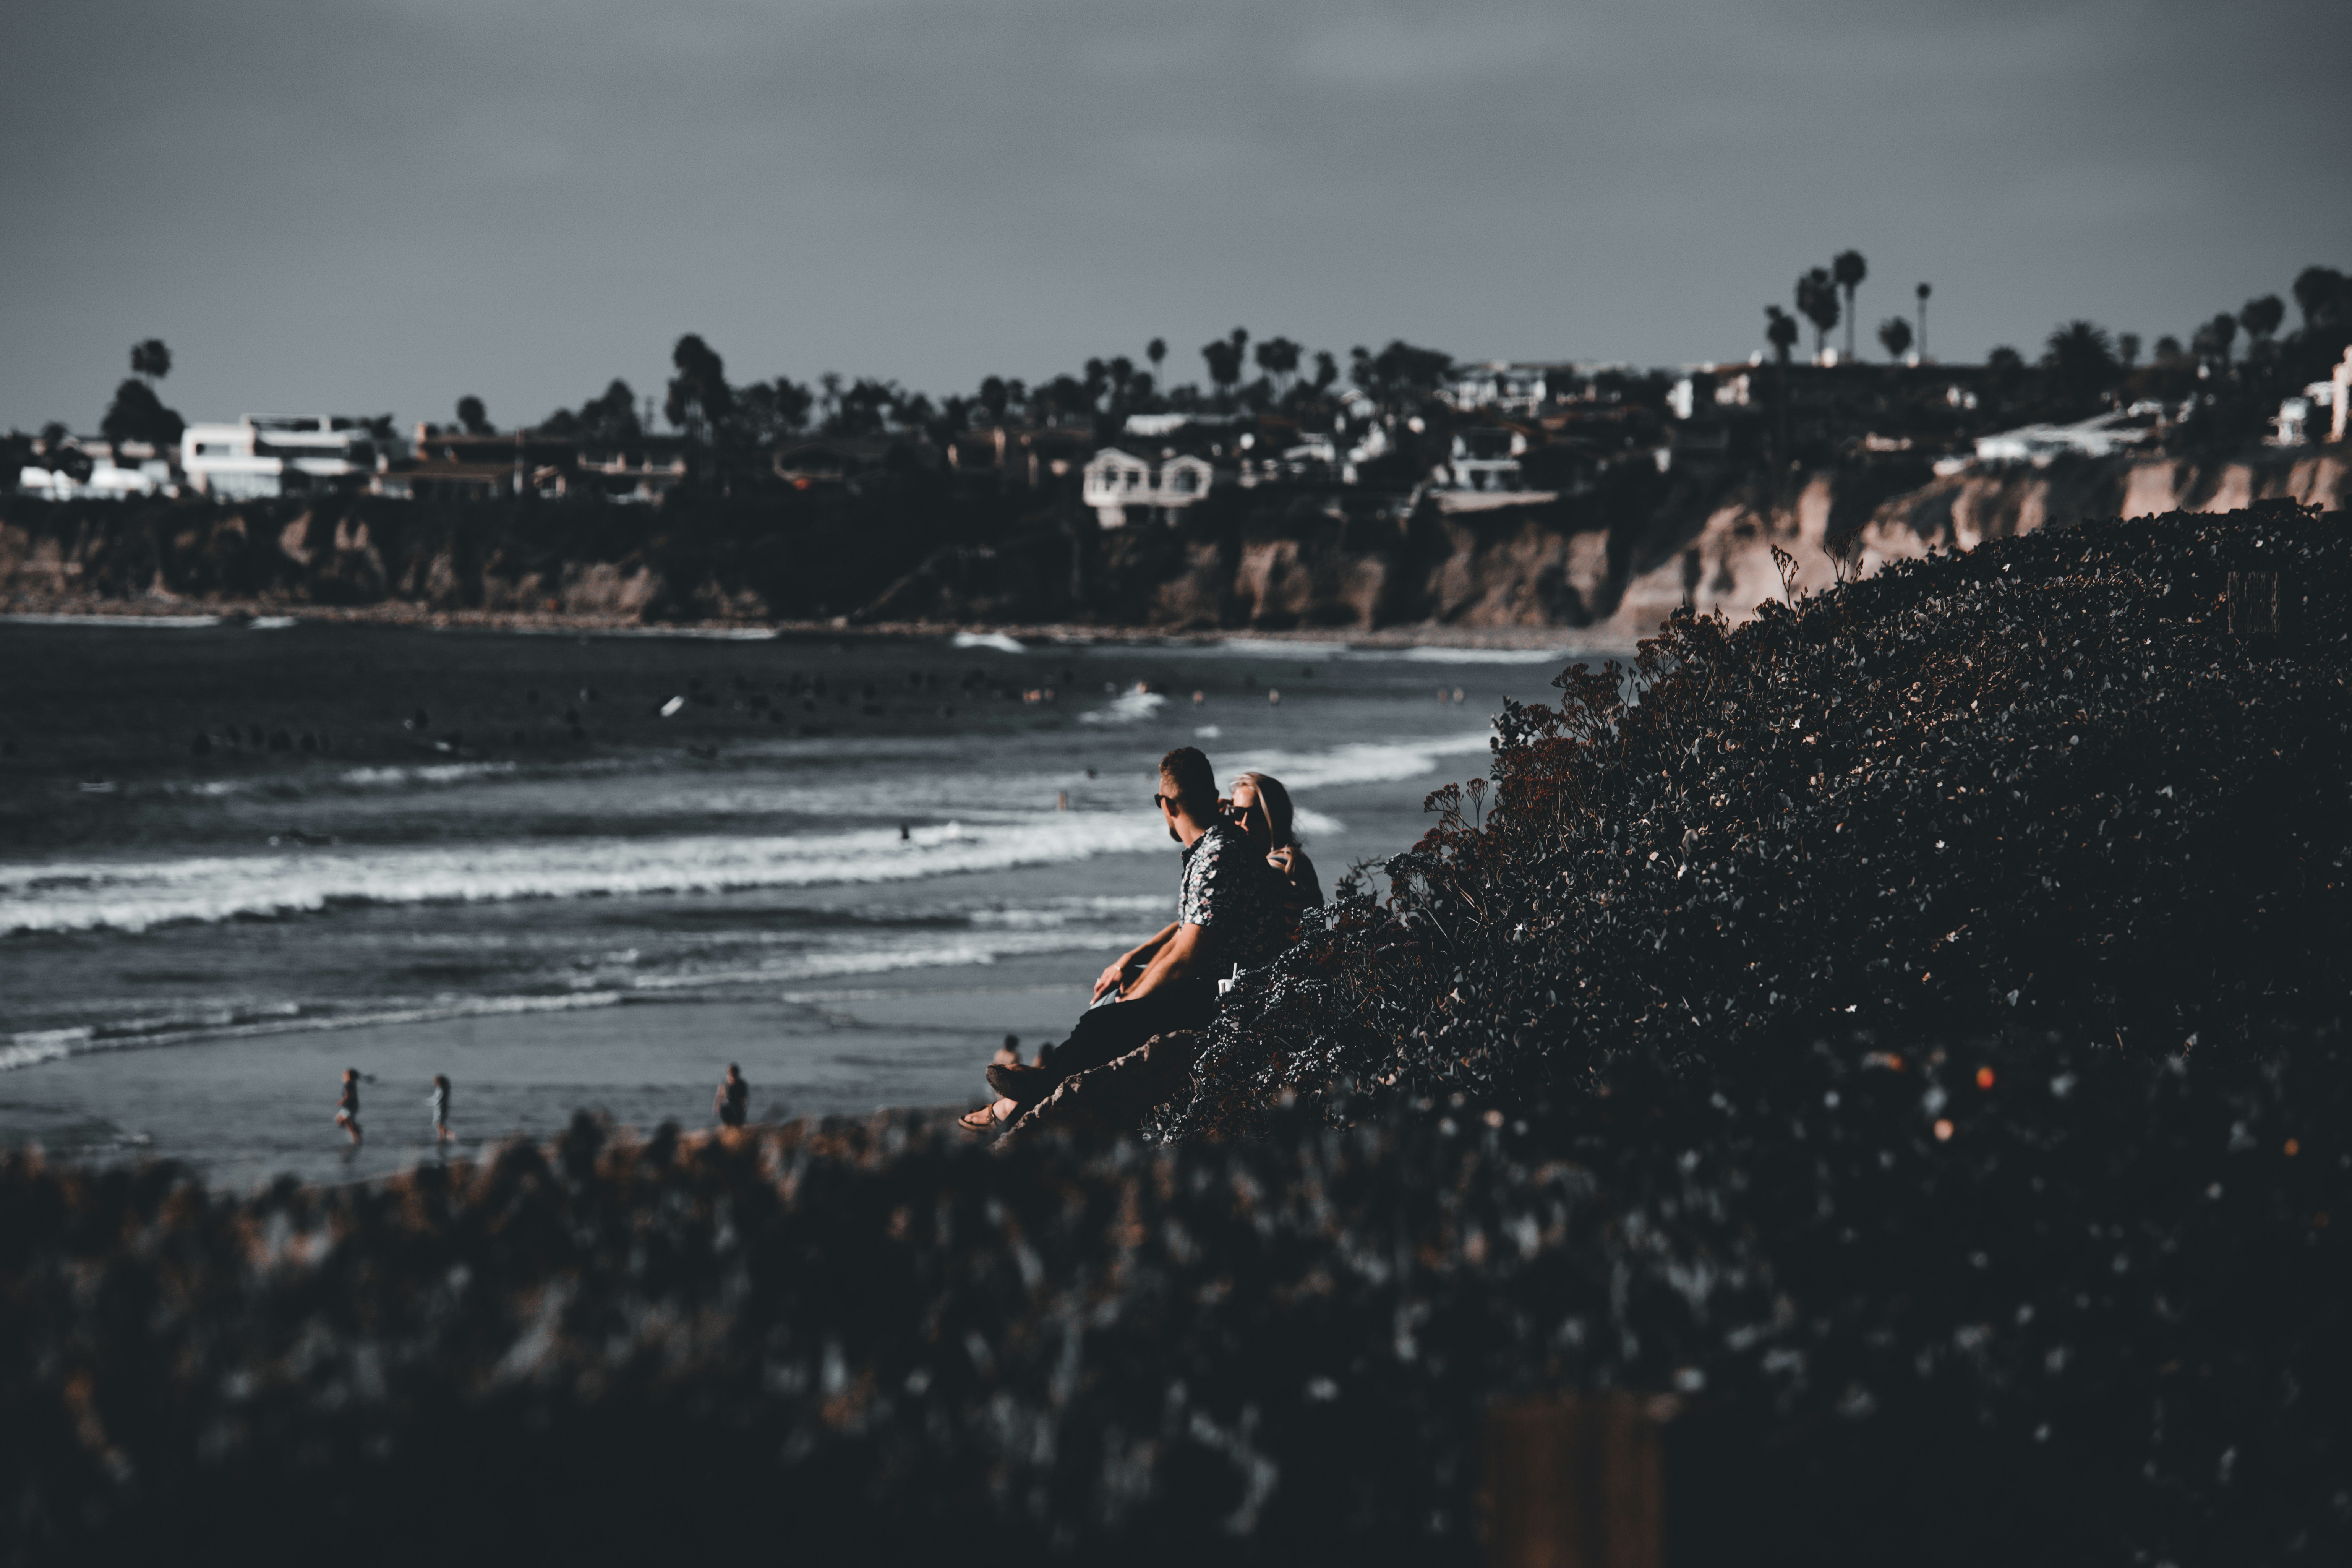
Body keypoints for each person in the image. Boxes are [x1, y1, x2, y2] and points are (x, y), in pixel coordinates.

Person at [971, 747, 1285, 1128]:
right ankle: (1042, 1083)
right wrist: (1131, 973)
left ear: (1165, 804)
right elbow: (1183, 937)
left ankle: (1032, 1094)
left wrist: (1131, 1002)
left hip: (1232, 999)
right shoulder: (1214, 848)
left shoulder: (1218, 854)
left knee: (1105, 1022)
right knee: (1111, 1004)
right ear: (1211, 795)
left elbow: (1186, 956)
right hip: (1223, 987)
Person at [1228, 771, 1323, 929]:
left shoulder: (1284, 863)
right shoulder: (1266, 862)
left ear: (1276, 818)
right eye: (1237, 813)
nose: (1245, 823)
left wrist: (1214, 829)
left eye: (1257, 815)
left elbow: (1229, 901)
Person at [334, 1067, 366, 1148]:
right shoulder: (351, 1083)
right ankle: (357, 1130)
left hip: (349, 1107)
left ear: (349, 1077)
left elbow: (349, 1096)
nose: (343, 1075)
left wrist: (342, 1101)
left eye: (345, 1074)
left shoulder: (348, 1084)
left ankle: (356, 1140)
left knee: (348, 1124)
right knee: (339, 1121)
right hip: (351, 1107)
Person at [715, 1063, 749, 1129]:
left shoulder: (741, 1084)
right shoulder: (725, 1083)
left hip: (737, 1105)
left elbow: (745, 1097)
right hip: (727, 1105)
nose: (730, 1074)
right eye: (729, 1072)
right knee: (727, 1122)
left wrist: (743, 1107)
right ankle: (728, 1132)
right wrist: (717, 1107)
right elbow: (720, 1095)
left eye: (732, 1072)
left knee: (738, 1124)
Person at [427, 1074, 453, 1144]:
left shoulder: (442, 1090)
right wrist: (429, 1101)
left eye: (436, 1082)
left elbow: (439, 1100)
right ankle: (444, 1137)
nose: (434, 1083)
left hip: (441, 1110)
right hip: (439, 1110)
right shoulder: (440, 1090)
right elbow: (436, 1099)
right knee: (440, 1125)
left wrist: (431, 1103)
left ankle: (445, 1137)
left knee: (439, 1125)